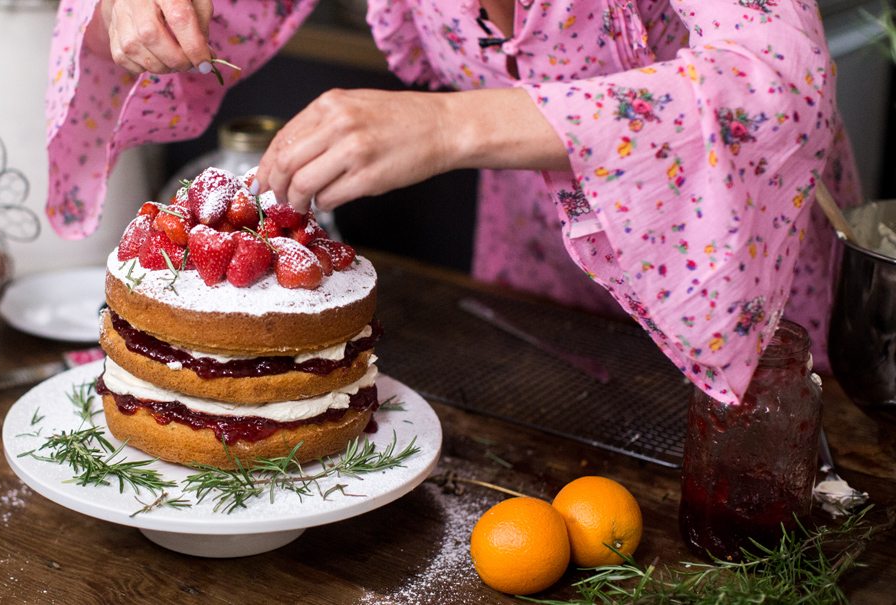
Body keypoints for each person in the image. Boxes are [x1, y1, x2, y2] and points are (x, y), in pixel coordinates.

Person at [43, 0, 862, 405]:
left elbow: (776, 85)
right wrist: (136, 10)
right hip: (535, 289)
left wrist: (452, 124)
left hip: (742, 298)